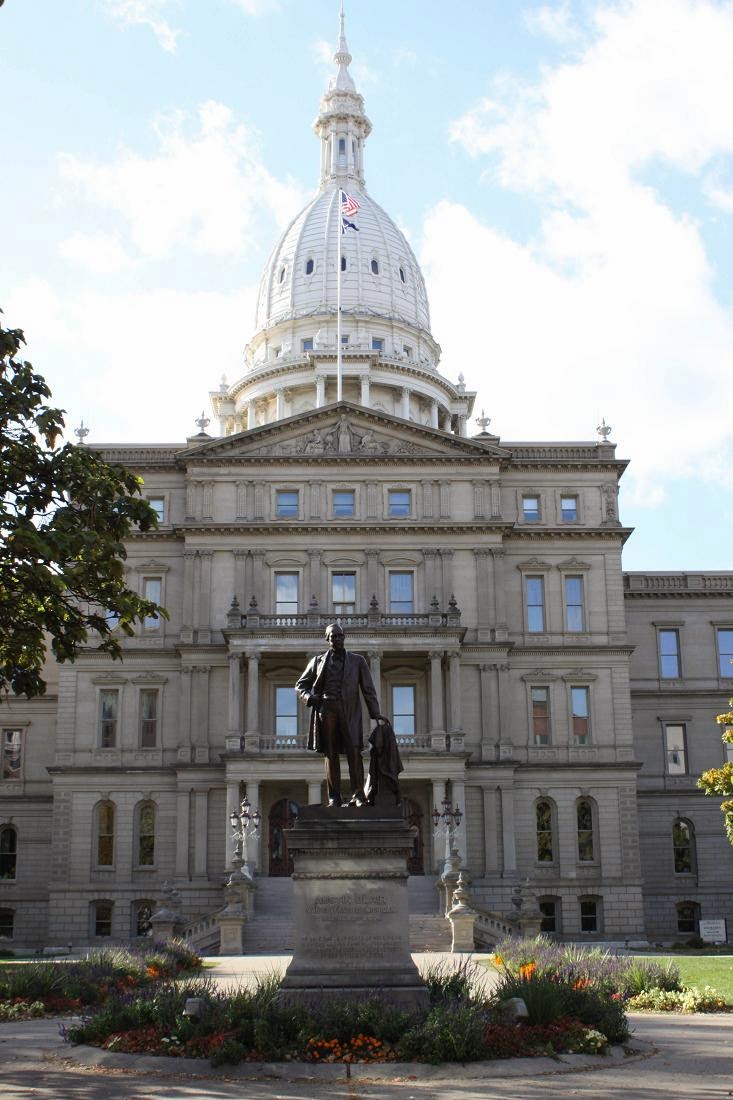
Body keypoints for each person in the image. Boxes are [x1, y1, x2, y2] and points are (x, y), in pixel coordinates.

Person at [295, 623, 385, 807]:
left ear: (344, 637)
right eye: (333, 636)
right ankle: (334, 797)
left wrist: (376, 713)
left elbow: (368, 689)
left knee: (354, 751)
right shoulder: (317, 661)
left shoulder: (357, 661)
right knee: (331, 754)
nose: (337, 639)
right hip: (326, 710)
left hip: (349, 711)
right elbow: (300, 685)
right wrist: (310, 698)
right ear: (327, 640)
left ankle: (358, 795)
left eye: (339, 636)